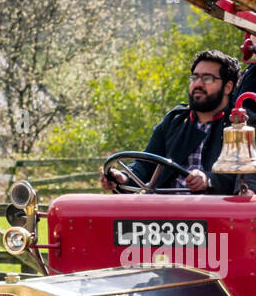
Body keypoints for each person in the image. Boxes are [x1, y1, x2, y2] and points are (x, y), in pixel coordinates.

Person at [101, 50, 245, 194]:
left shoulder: (241, 124)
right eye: (194, 78)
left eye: (207, 78)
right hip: (167, 209)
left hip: (214, 211)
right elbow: (145, 165)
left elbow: (245, 176)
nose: (198, 84)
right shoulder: (174, 121)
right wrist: (124, 177)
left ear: (228, 87)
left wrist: (207, 179)